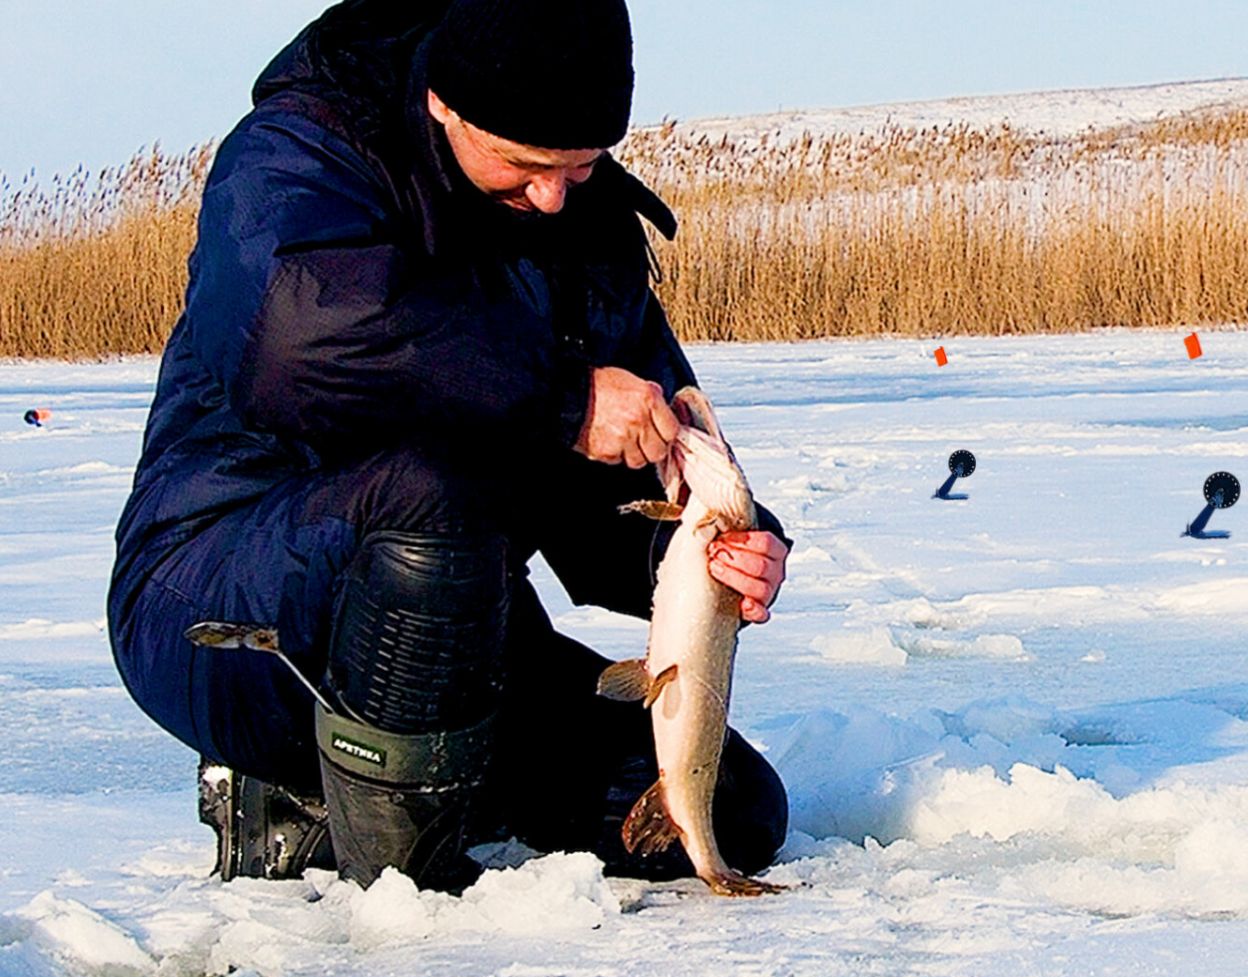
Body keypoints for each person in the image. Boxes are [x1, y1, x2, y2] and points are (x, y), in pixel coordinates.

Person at [107, 0, 791, 893]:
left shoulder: (587, 233)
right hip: (222, 610)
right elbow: (288, 343)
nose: (553, 197)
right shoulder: (300, 157)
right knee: (437, 486)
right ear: (442, 102)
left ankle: (423, 789)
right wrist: (561, 399)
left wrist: (713, 547)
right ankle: (360, 848)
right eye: (524, 164)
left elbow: (624, 480)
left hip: (456, 627)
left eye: (581, 166)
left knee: (730, 813)